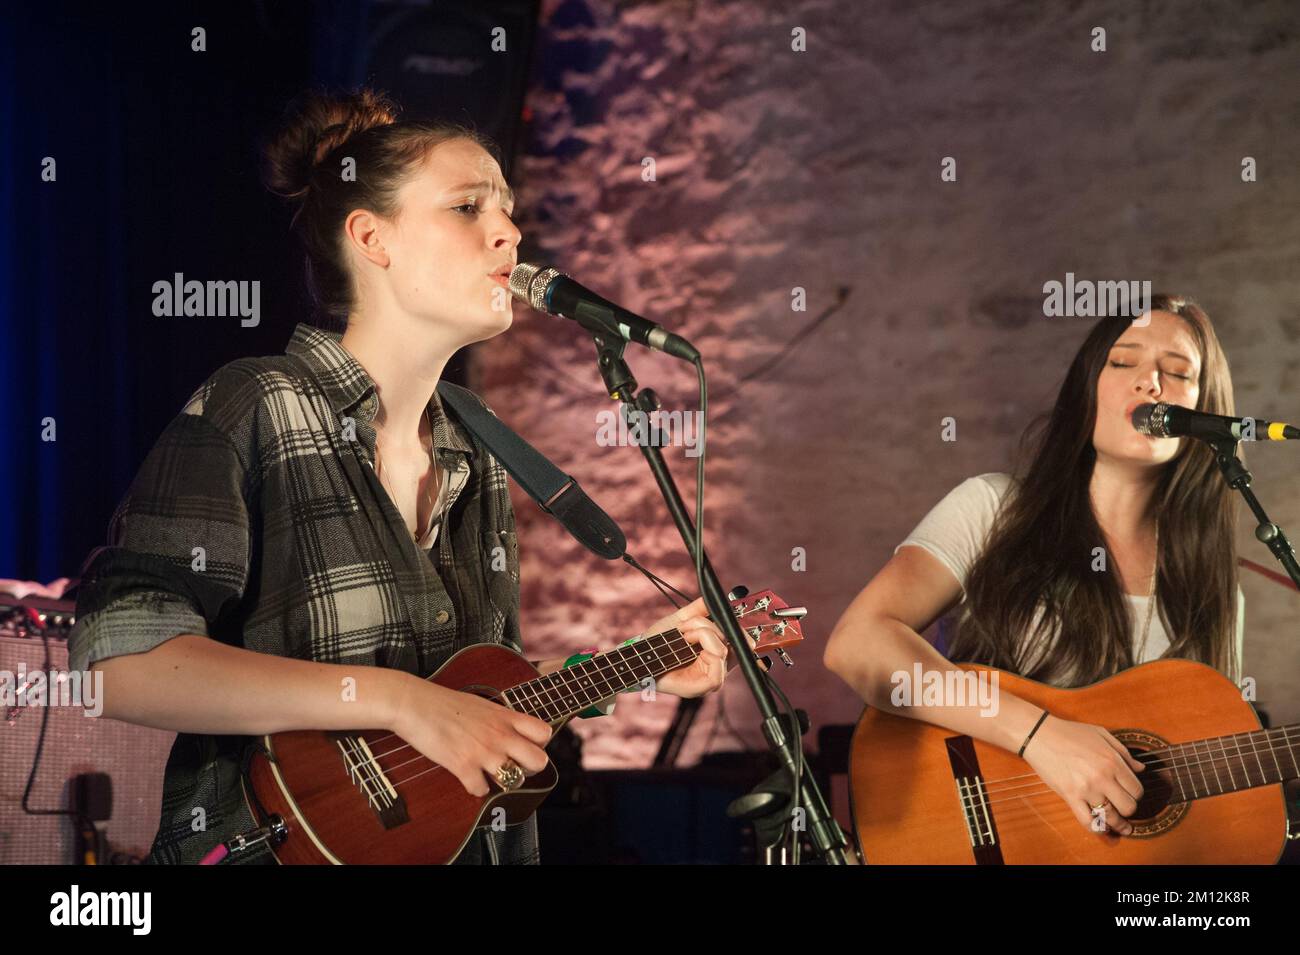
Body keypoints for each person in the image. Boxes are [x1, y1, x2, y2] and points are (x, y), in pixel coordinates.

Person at [68, 88, 731, 865]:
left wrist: (634, 662)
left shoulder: (475, 449)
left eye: (508, 210)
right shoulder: (259, 404)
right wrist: (402, 703)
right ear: (371, 238)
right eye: (468, 207)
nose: (510, 232)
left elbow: (478, 696)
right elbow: (118, 665)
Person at [824, 296, 1245, 838]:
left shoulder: (1214, 586)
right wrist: (1042, 736)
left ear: (1205, 411)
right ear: (1085, 389)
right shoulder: (994, 507)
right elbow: (857, 643)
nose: (1152, 384)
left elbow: (1209, 772)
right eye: (1123, 362)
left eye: (1179, 373)